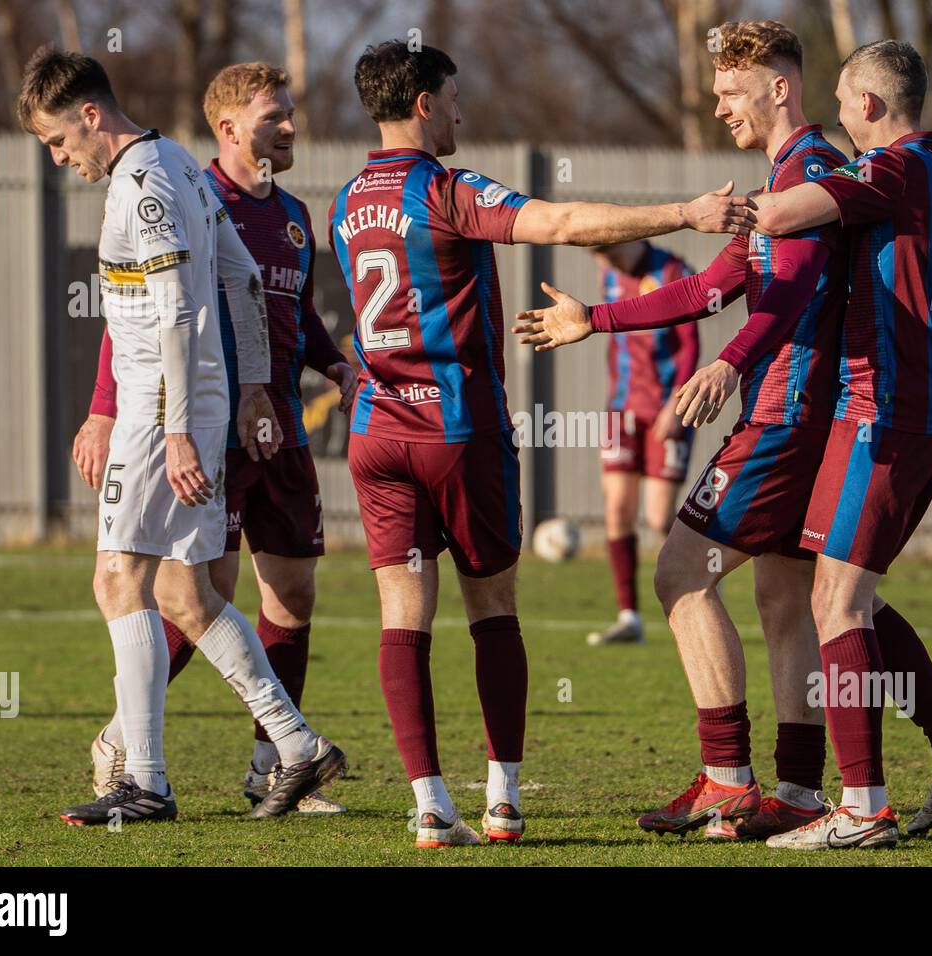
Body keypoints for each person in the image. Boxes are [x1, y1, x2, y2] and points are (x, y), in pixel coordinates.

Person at [331, 40, 755, 847]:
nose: (461, 111)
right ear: (423, 103)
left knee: (402, 618)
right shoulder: (444, 190)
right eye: (453, 97)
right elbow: (559, 222)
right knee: (492, 606)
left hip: (375, 430)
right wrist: (685, 213)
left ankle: (428, 808)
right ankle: (501, 801)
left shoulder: (345, 200)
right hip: (457, 428)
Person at [513, 20, 843, 841]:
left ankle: (728, 777)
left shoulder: (811, 175)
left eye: (732, 92)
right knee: (782, 599)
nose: (721, 107)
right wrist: (594, 317)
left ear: (779, 88)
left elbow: (791, 288)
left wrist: (730, 364)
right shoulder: (781, 180)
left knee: (680, 571)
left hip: (784, 414)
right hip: (798, 414)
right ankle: (800, 791)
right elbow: (702, 291)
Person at [18, 46, 344, 825]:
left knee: (117, 582)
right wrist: (253, 385)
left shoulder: (146, 184)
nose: (62, 158)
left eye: (60, 141)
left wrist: (177, 430)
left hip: (157, 412)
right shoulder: (185, 170)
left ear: (91, 116)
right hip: (184, 407)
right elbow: (240, 280)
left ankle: (146, 783)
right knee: (183, 592)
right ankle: (297, 746)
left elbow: (174, 313)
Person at [742, 40, 932, 849]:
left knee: (836, 601)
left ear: (869, 107)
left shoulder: (890, 167)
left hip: (886, 408)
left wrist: (725, 210)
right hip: (930, 404)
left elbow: (782, 213)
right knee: (853, 592)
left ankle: (861, 807)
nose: (842, 119)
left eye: (846, 103)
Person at [587, 240, 698, 646]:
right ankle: (629, 616)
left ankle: (705, 570)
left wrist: (677, 401)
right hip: (621, 408)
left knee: (657, 518)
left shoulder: (672, 271)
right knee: (616, 507)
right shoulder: (610, 272)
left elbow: (689, 342)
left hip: (667, 407)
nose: (607, 263)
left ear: (629, 241)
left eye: (611, 254)